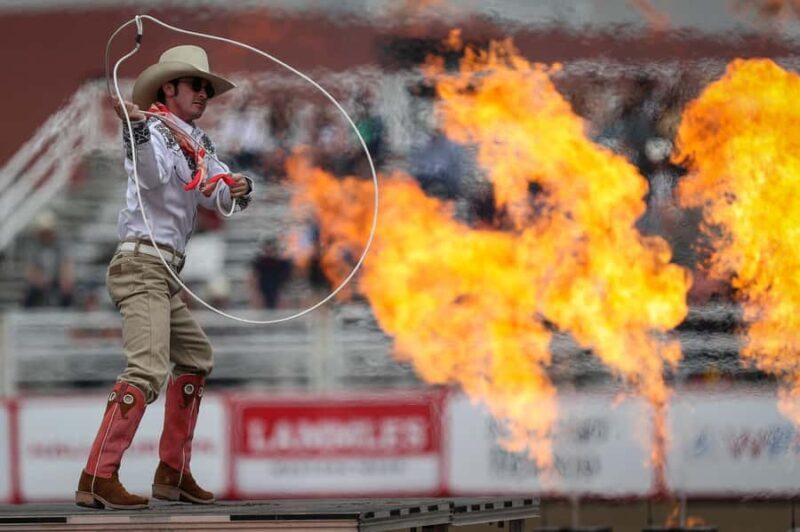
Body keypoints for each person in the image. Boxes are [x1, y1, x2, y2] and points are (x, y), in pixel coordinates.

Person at [75, 45, 254, 510]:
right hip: (143, 265)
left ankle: (172, 472)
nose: (204, 94)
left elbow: (217, 194)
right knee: (147, 369)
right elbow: (152, 177)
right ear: (169, 88)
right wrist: (134, 127)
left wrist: (239, 186)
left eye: (206, 88)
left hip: (161, 270)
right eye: (196, 85)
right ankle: (97, 476)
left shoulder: (197, 141)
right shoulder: (151, 128)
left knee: (195, 357)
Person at [22, 210, 75, 308]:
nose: (46, 235)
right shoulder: (34, 246)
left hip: (57, 280)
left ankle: (68, 310)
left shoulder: (61, 245)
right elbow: (30, 270)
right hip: (41, 282)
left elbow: (66, 264)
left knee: (67, 291)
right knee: (30, 292)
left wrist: (65, 279)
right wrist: (40, 280)